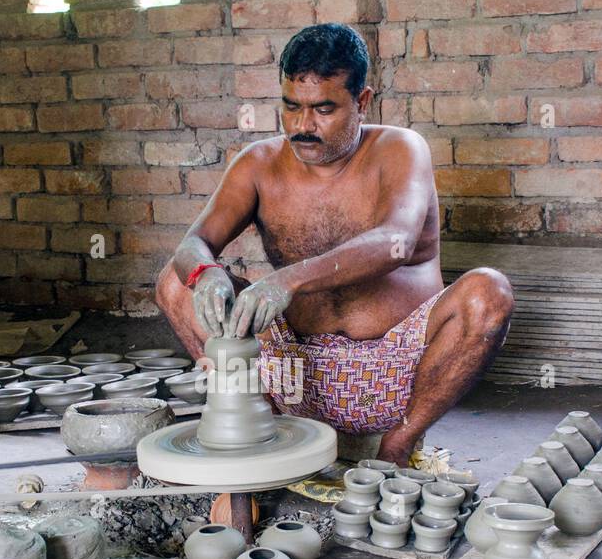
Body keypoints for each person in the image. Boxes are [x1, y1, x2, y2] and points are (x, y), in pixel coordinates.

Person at [155, 23, 514, 466]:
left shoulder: (400, 149)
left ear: (361, 101)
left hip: (396, 371)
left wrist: (289, 280)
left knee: (488, 291)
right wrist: (204, 273)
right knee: (174, 283)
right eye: (291, 107)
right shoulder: (258, 163)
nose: (304, 126)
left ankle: (398, 447)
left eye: (324, 109)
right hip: (290, 371)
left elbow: (394, 241)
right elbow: (193, 244)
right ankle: (257, 427)